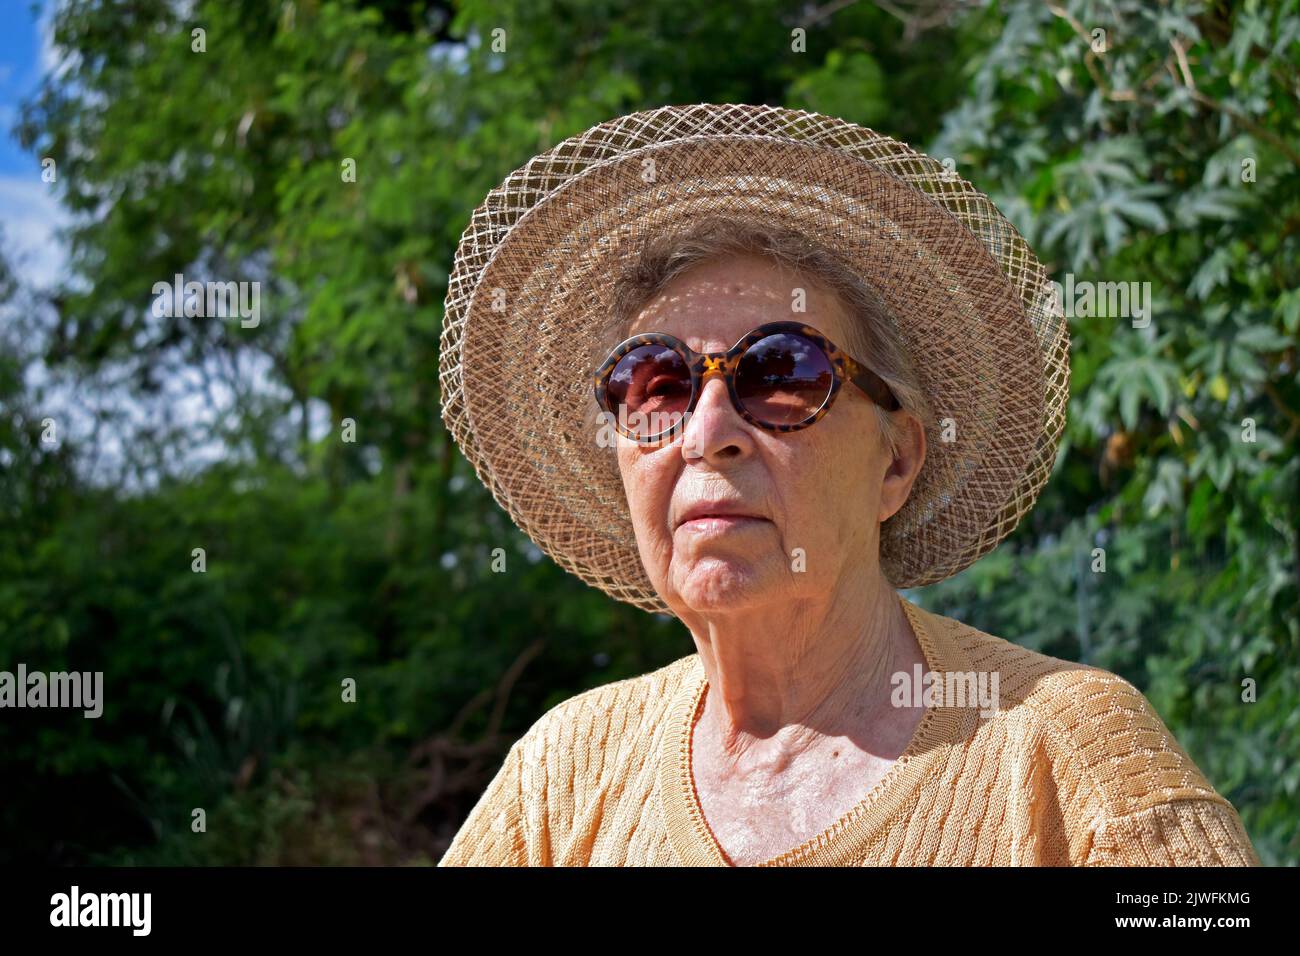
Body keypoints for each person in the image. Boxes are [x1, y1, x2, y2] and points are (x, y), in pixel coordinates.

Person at [434, 103, 1259, 866]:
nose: (708, 432)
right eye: (656, 383)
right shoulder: (561, 777)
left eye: (782, 373)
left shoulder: (1066, 756)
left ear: (896, 461)